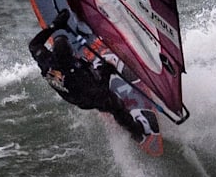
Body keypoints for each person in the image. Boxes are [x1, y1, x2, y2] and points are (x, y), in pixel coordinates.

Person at [28, 8, 162, 151]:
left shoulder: (47, 61)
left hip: (70, 90)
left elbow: (34, 45)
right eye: (72, 54)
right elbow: (100, 91)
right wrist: (106, 73)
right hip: (84, 97)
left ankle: (98, 68)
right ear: (70, 57)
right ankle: (137, 132)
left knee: (92, 72)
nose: (75, 54)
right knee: (112, 103)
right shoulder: (77, 75)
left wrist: (55, 26)